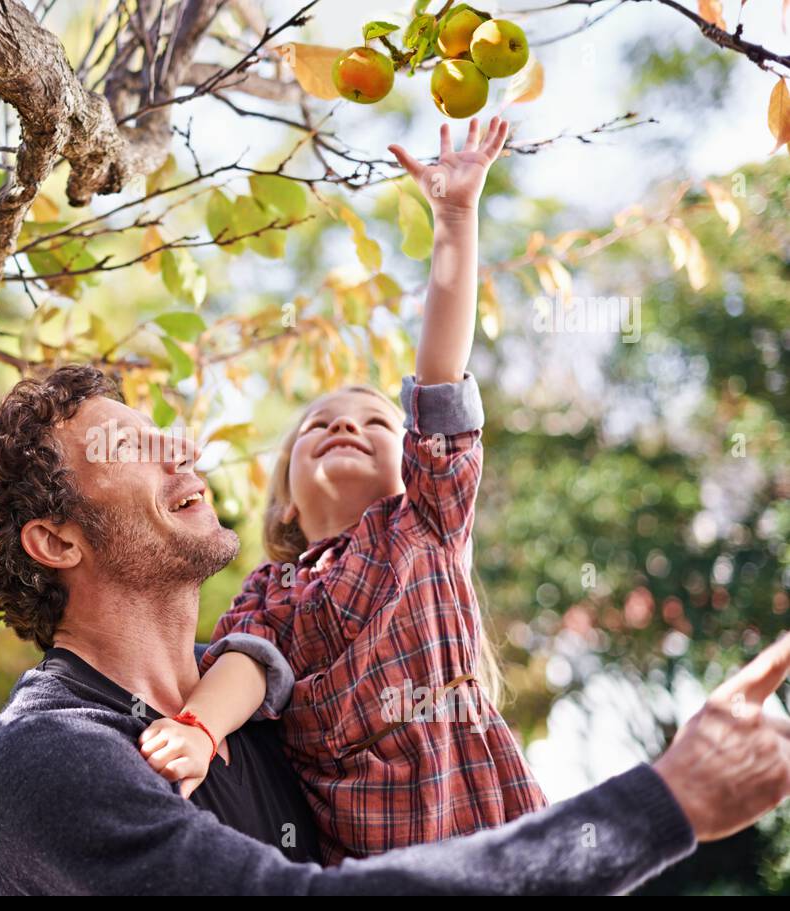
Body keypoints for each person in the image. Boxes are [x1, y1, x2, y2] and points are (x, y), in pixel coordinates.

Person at [0, 363, 790, 894]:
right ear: (57, 540)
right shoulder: (48, 756)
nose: (183, 450)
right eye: (130, 447)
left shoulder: (280, 709)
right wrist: (663, 802)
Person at [136, 117, 547, 864]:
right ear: (286, 500)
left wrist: (454, 222)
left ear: (413, 463)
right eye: (318, 424)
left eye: (373, 422)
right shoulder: (273, 590)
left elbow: (440, 381)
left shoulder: (424, 521)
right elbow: (248, 664)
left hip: (485, 827)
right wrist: (198, 728)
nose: (343, 426)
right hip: (368, 859)